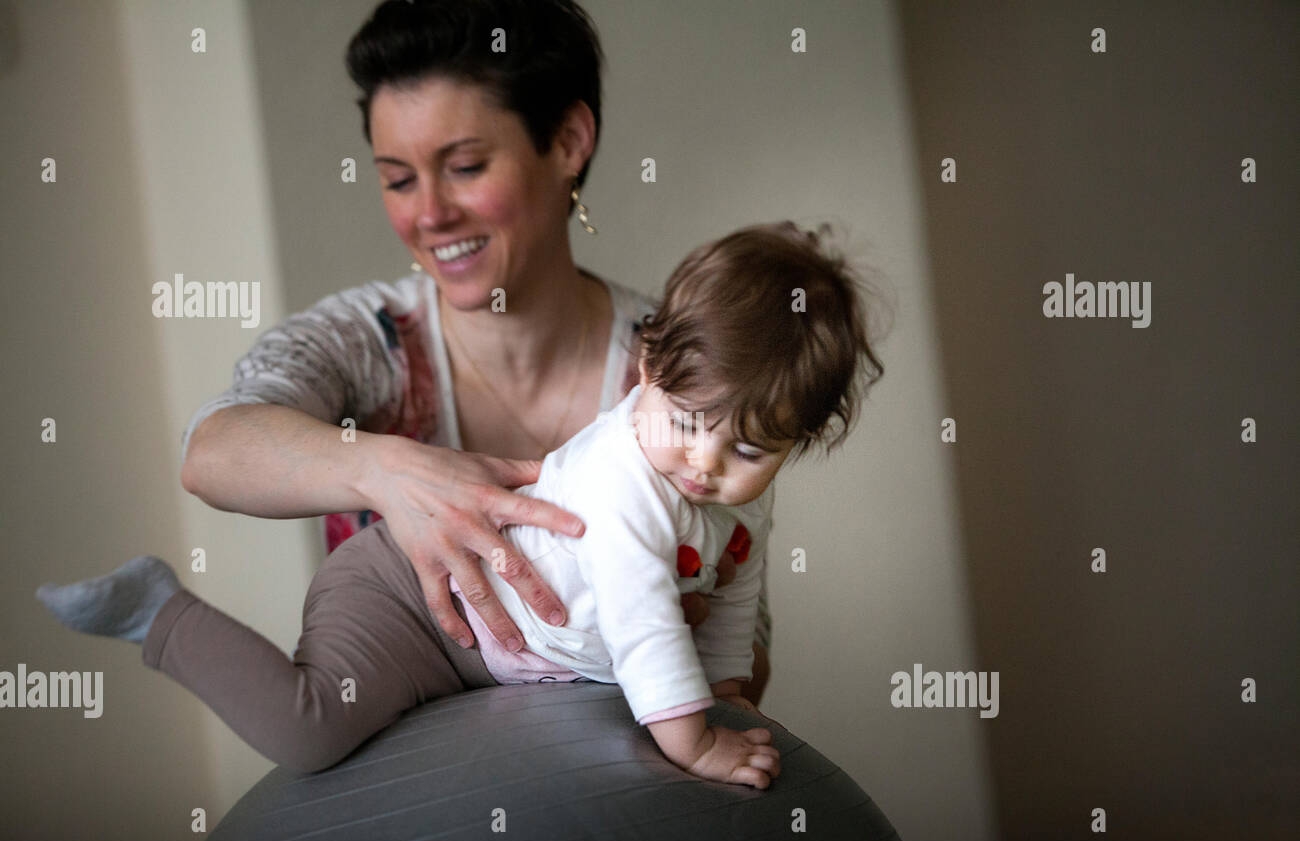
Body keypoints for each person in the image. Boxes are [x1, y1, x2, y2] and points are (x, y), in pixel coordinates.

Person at [35, 222, 887, 789]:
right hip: (412, 600)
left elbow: (733, 594)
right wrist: (698, 739)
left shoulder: (736, 487)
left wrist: (731, 687)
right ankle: (158, 614)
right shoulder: (627, 481)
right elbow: (646, 623)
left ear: (793, 444)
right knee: (314, 731)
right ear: (648, 371)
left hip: (512, 650)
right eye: (688, 424)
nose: (705, 465)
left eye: (748, 451)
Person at [173, 0, 774, 700]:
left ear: (570, 141)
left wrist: (678, 638)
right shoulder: (365, 338)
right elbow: (210, 451)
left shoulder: (682, 368)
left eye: (463, 167)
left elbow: (746, 663)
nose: (428, 215)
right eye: (398, 179)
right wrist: (386, 472)